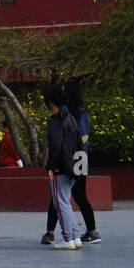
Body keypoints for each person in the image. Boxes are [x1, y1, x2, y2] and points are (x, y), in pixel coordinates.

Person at [44, 85, 84, 249]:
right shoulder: (70, 118)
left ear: (50, 102)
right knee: (66, 201)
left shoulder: (56, 120)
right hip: (74, 164)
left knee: (60, 203)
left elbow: (56, 145)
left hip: (61, 166)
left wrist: (51, 165)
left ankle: (67, 238)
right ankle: (75, 236)